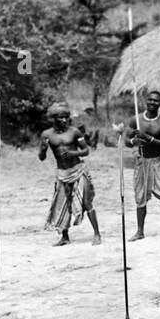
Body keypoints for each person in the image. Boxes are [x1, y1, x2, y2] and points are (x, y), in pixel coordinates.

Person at [40, 102, 102, 247]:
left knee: (87, 203)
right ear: (54, 119)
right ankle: (65, 236)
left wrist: (72, 153)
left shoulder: (74, 132)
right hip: (62, 173)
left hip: (78, 170)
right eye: (60, 117)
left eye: (66, 117)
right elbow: (41, 157)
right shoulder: (47, 135)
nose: (64, 120)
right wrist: (43, 149)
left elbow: (86, 150)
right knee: (63, 204)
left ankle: (97, 234)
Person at [127, 90, 160, 241]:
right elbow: (126, 139)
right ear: (146, 101)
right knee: (140, 196)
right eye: (150, 100)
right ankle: (139, 231)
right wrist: (134, 141)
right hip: (142, 161)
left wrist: (147, 137)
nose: (152, 103)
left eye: (155, 101)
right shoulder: (135, 120)